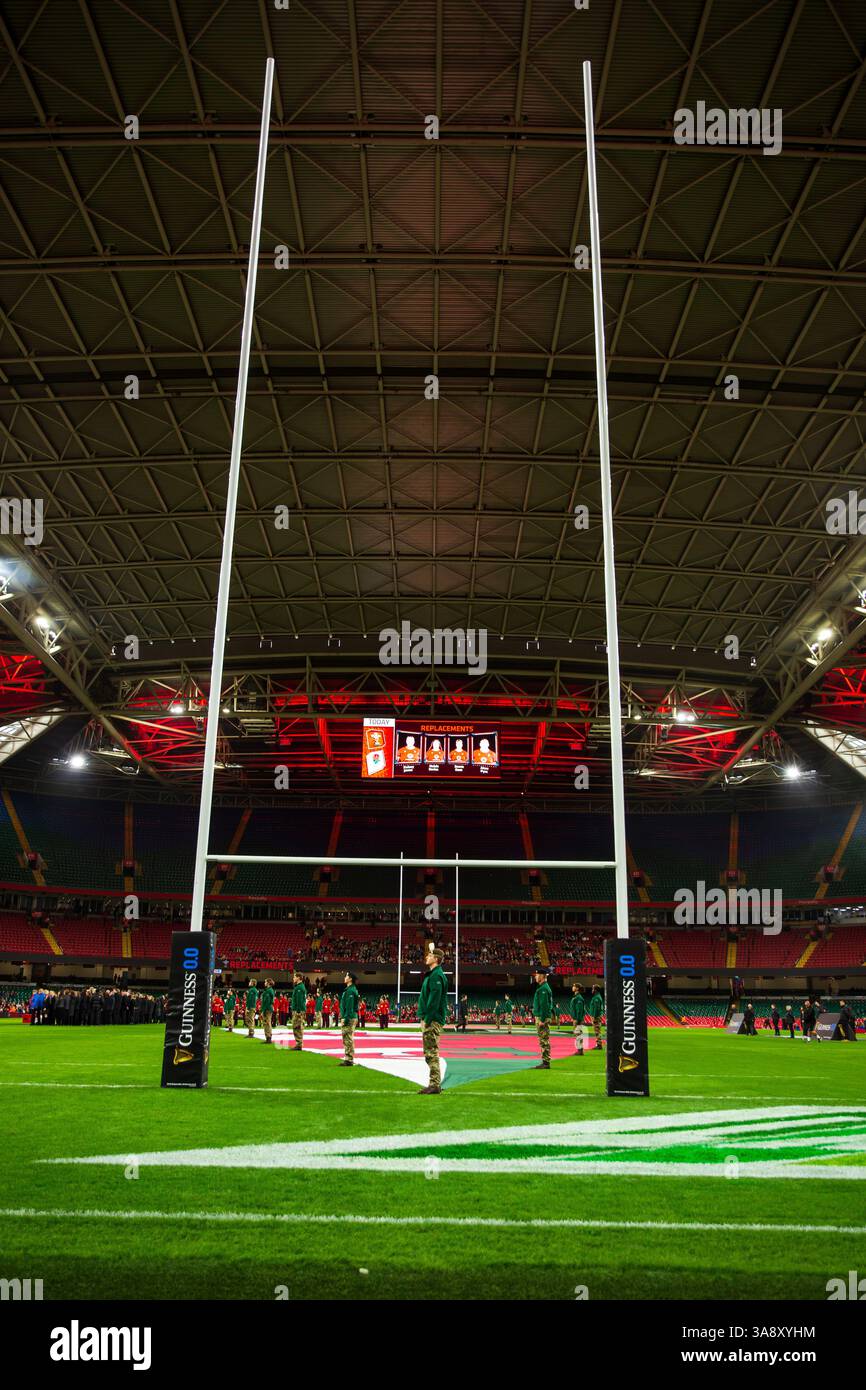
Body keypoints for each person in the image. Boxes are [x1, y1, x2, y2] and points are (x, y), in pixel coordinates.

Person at [418, 946, 448, 1095]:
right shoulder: (434, 974)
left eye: (429, 955)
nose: (426, 957)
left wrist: (427, 1019)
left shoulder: (436, 976)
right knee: (430, 1051)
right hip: (431, 1017)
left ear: (436, 959)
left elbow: (434, 1000)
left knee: (431, 1052)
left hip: (432, 1019)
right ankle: (435, 1083)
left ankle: (435, 1084)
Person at [532, 967, 554, 1069]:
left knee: (544, 1040)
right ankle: (545, 1061)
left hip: (542, 1017)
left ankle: (546, 1062)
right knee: (543, 1039)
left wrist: (542, 1019)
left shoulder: (543, 989)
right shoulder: (543, 987)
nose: (535, 977)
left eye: (537, 975)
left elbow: (544, 1005)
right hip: (542, 1016)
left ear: (541, 976)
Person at [339, 972, 360, 1066]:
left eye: (346, 976)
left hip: (349, 1017)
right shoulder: (350, 990)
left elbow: (349, 1006)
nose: (345, 977)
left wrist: (346, 1018)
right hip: (350, 1016)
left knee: (347, 1038)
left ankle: (349, 1059)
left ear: (350, 979)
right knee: (347, 1038)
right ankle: (348, 1058)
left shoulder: (350, 991)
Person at [290, 972, 307, 1051]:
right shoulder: (299, 987)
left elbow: (299, 1000)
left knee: (297, 1027)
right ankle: (299, 1043)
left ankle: (299, 1044)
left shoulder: (299, 988)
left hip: (298, 1010)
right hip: (298, 1009)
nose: (293, 978)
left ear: (298, 978)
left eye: (294, 977)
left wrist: (298, 1011)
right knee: (297, 1026)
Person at [569, 983, 586, 1055]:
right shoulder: (576, 997)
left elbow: (579, 1010)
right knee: (578, 1034)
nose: (572, 987)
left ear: (577, 988)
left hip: (577, 1019)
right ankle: (580, 1050)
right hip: (576, 1018)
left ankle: (580, 1050)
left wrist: (577, 1020)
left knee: (578, 1035)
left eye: (574, 986)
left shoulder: (578, 998)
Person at [588, 985, 604, 1050]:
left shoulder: (596, 998)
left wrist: (594, 1017)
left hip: (596, 1016)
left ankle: (599, 1045)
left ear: (595, 990)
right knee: (597, 1030)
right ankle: (598, 1044)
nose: (592, 990)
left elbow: (596, 1009)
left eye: (593, 989)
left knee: (597, 1031)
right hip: (597, 1016)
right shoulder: (597, 997)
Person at [261, 978, 276, 1044]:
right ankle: (268, 1037)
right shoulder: (269, 990)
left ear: (268, 983)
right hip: (267, 1008)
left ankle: (268, 1038)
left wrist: (263, 1010)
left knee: (267, 1023)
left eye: (265, 982)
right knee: (266, 1023)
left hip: (267, 1008)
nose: (264, 983)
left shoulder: (269, 991)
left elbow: (267, 1002)